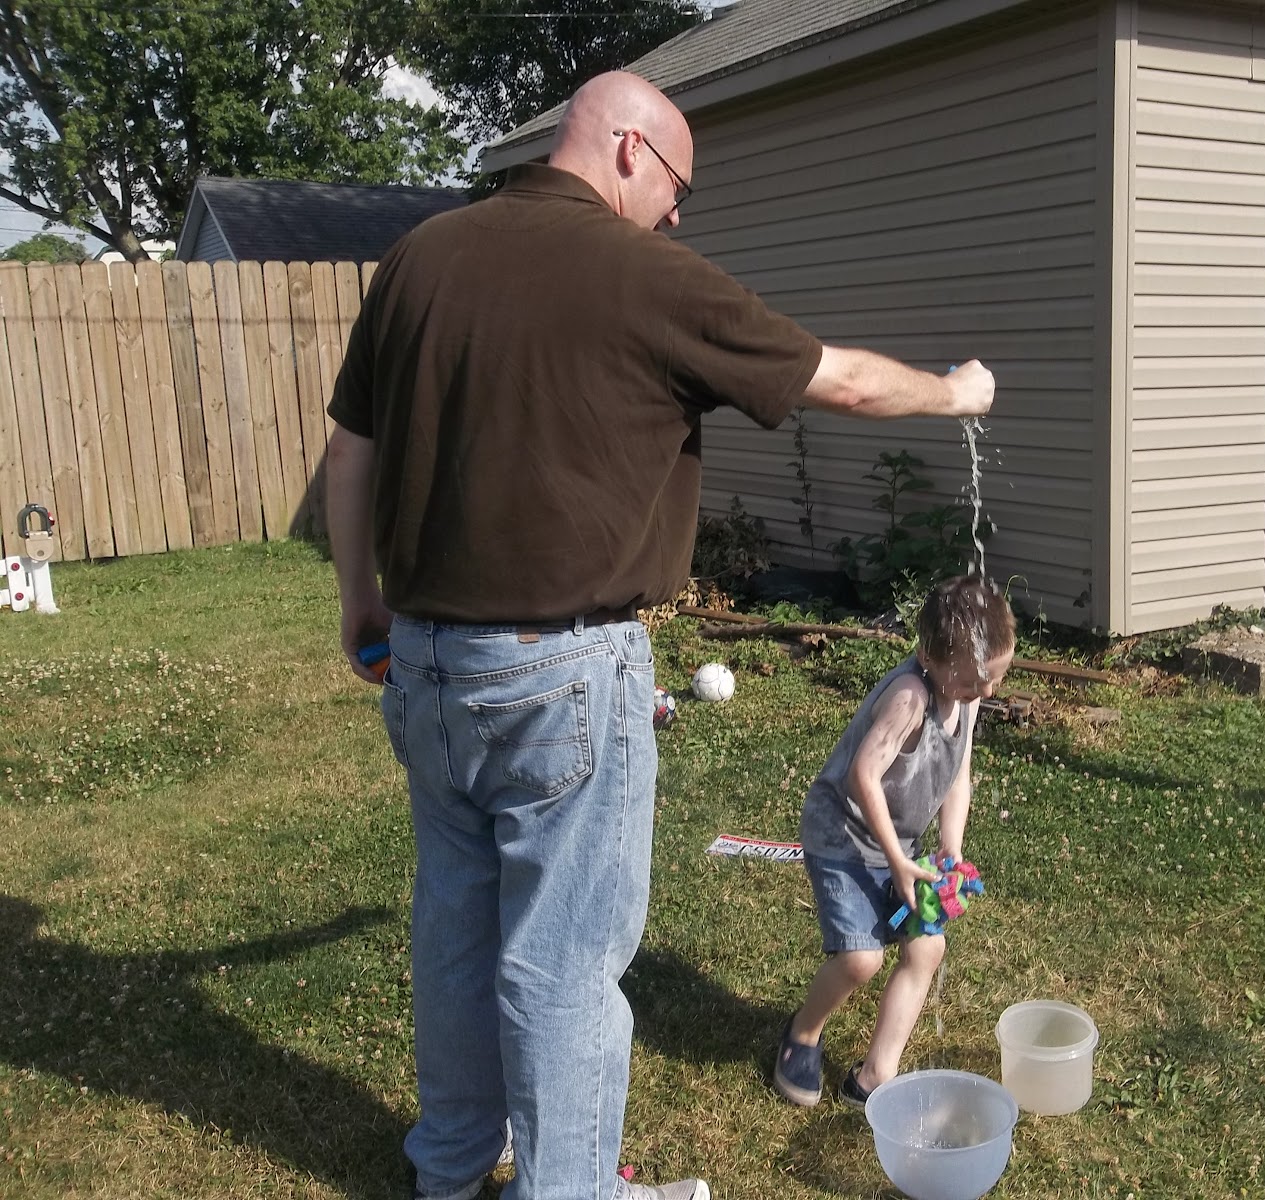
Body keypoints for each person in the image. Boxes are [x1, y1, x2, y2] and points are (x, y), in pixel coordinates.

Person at [325, 69, 994, 1200]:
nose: (680, 210)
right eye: (678, 181)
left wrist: (361, 599)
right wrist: (953, 391)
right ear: (630, 151)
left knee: (455, 930)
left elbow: (350, 449)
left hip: (429, 663)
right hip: (561, 672)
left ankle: (449, 1168)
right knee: (566, 960)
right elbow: (842, 382)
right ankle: (570, 1189)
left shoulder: (418, 259)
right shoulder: (643, 274)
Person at [774, 575, 1016, 1110]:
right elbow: (864, 774)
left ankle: (875, 1076)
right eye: (979, 681)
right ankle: (802, 1035)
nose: (989, 692)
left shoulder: (966, 692)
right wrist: (899, 861)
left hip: (899, 845)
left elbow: (958, 773)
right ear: (930, 656)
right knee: (860, 960)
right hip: (843, 836)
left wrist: (949, 846)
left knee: (927, 948)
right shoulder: (910, 696)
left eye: (996, 678)